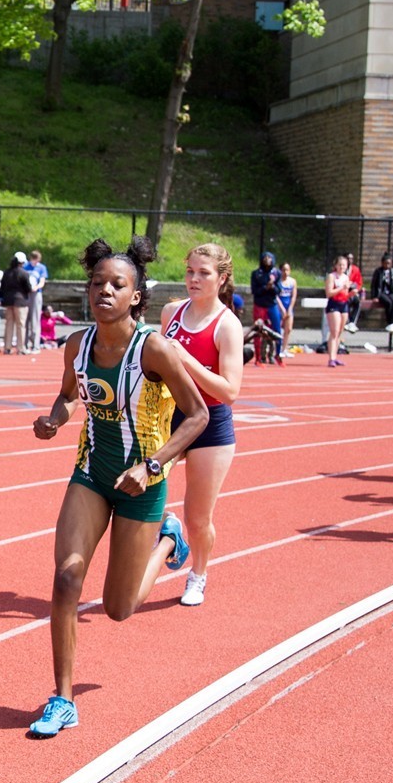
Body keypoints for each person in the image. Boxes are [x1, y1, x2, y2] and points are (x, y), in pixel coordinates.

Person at [27, 237, 209, 739]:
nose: (104, 291)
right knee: (66, 578)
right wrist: (54, 419)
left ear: (136, 296)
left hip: (141, 483)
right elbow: (69, 397)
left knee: (118, 609)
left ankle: (169, 539)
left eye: (117, 284)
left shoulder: (155, 349)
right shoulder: (76, 345)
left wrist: (152, 467)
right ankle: (62, 700)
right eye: (97, 283)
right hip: (91, 472)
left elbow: (197, 416)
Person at [160, 243, 245, 606]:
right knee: (140, 492)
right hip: (171, 419)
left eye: (203, 273)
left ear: (221, 278)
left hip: (211, 425)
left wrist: (186, 360)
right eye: (190, 271)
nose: (194, 279)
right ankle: (170, 531)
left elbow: (230, 391)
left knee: (198, 517)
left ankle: (198, 574)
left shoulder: (228, 326)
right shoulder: (170, 313)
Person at [248, 252, 281, 364]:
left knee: (277, 330)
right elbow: (254, 291)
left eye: (270, 258)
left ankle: (277, 355)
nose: (267, 260)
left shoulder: (276, 273)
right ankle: (258, 358)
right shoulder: (256, 274)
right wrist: (265, 287)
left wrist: (273, 287)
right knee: (258, 331)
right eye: (265, 258)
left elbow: (279, 290)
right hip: (260, 305)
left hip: (272, 305)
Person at [0, 251, 34, 355]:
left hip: (8, 301)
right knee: (21, 325)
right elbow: (28, 288)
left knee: (9, 324)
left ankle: (7, 347)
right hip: (20, 301)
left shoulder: (7, 272)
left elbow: (2, 287)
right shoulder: (24, 273)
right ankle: (21, 348)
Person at [323, 255, 352, 366]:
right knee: (334, 331)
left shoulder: (346, 277)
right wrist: (341, 288)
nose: (341, 267)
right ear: (335, 265)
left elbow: (345, 294)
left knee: (339, 332)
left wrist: (350, 293)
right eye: (339, 265)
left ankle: (335, 356)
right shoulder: (331, 276)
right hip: (333, 304)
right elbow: (329, 293)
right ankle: (331, 358)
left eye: (344, 265)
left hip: (343, 304)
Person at [369, 252, 393, 352]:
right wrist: (374, 296)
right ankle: (389, 322)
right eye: (386, 263)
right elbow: (374, 285)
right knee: (388, 303)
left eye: (389, 263)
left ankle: (392, 322)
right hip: (381, 293)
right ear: (382, 263)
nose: (387, 265)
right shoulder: (378, 271)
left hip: (390, 293)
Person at [25, 250, 49, 353]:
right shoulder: (25, 266)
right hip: (26, 293)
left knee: (35, 319)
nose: (35, 262)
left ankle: (35, 345)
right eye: (33, 259)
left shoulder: (41, 268)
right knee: (25, 319)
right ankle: (24, 344)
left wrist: (36, 287)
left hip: (36, 293)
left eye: (36, 260)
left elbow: (42, 281)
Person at [276, 262, 298, 363]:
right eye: (283, 270)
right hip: (279, 307)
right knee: (277, 329)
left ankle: (284, 349)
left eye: (287, 270)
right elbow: (275, 296)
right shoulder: (277, 281)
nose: (285, 272)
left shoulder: (292, 281)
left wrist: (290, 308)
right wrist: (281, 308)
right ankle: (277, 349)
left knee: (288, 329)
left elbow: (293, 296)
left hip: (288, 306)